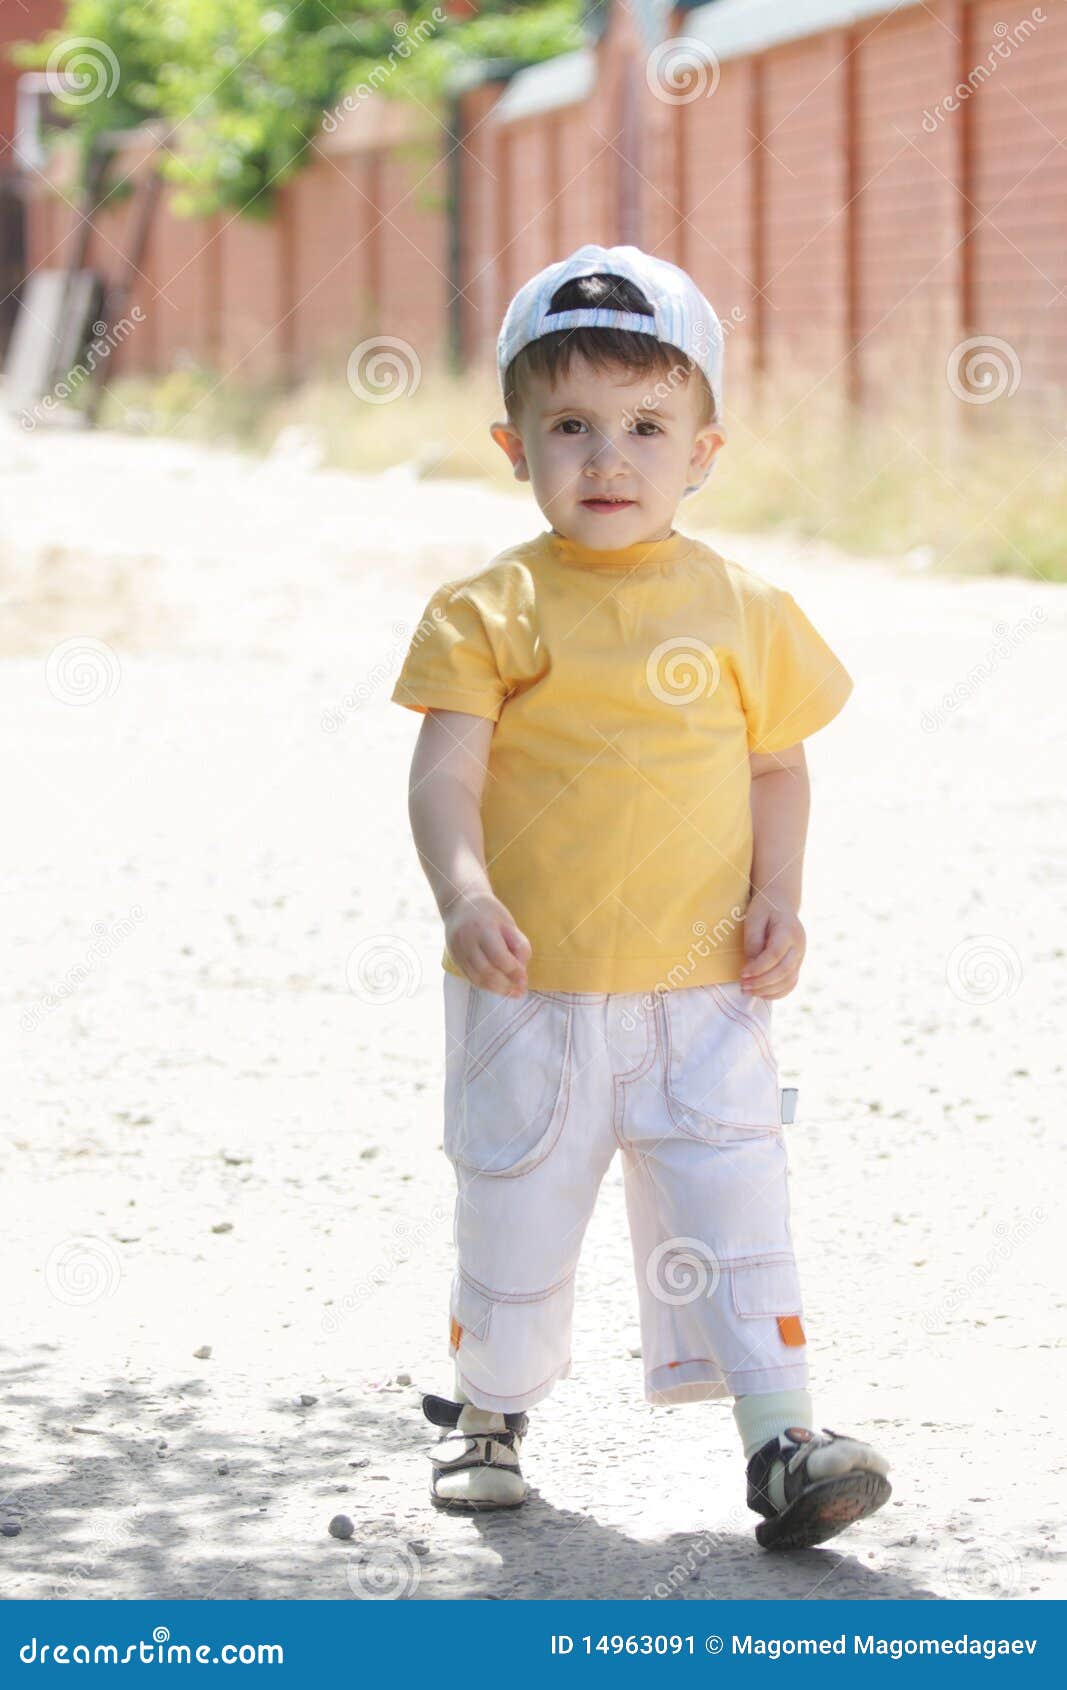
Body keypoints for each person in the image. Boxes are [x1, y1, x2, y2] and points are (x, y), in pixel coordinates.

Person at [390, 244, 890, 1550]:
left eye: (645, 426)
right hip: (527, 987)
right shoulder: (490, 605)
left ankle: (784, 1439)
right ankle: (490, 1416)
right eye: (570, 425)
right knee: (515, 1197)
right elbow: (446, 773)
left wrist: (782, 893)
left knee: (734, 1193)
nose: (606, 457)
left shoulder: (745, 606)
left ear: (705, 449)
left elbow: (779, 766)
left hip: (703, 987)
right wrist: (462, 890)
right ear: (514, 443)